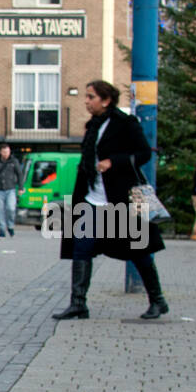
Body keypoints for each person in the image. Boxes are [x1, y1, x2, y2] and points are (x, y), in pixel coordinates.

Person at [52, 79, 168, 321]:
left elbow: (144, 153)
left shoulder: (125, 123)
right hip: (92, 200)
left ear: (105, 100)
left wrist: (114, 161)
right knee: (81, 248)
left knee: (138, 249)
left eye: (91, 97)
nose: (86, 101)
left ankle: (157, 300)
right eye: (85, 96)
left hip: (119, 200)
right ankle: (78, 304)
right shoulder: (93, 126)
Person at [0, 144, 23, 238]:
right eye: (4, 152)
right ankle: (2, 230)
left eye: (8, 152)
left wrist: (21, 187)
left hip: (10, 189)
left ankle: (10, 226)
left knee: (11, 208)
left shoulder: (14, 161)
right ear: (1, 152)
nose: (6, 154)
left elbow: (19, 174)